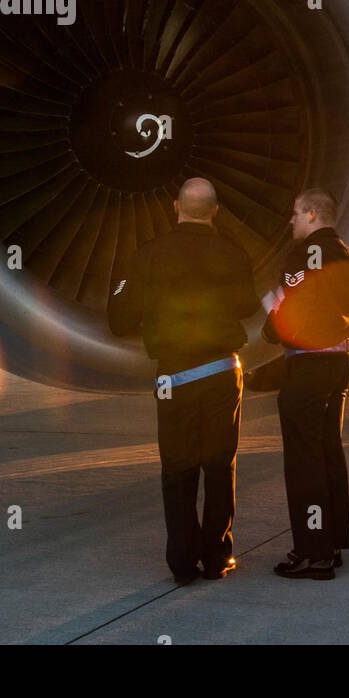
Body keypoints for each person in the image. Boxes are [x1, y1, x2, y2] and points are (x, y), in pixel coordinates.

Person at [107, 177, 257, 584]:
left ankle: (181, 560)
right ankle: (216, 556)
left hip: (174, 376)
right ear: (215, 211)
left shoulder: (148, 255)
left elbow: (118, 319)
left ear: (176, 207)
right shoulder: (233, 254)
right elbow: (248, 305)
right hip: (221, 372)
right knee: (219, 465)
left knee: (177, 467)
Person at [261, 188, 349, 580]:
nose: (290, 221)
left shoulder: (303, 255)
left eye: (294, 213)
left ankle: (312, 551)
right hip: (341, 360)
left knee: (304, 462)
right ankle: (333, 542)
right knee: (328, 455)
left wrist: (272, 324)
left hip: (308, 365)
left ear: (311, 214)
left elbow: (291, 305)